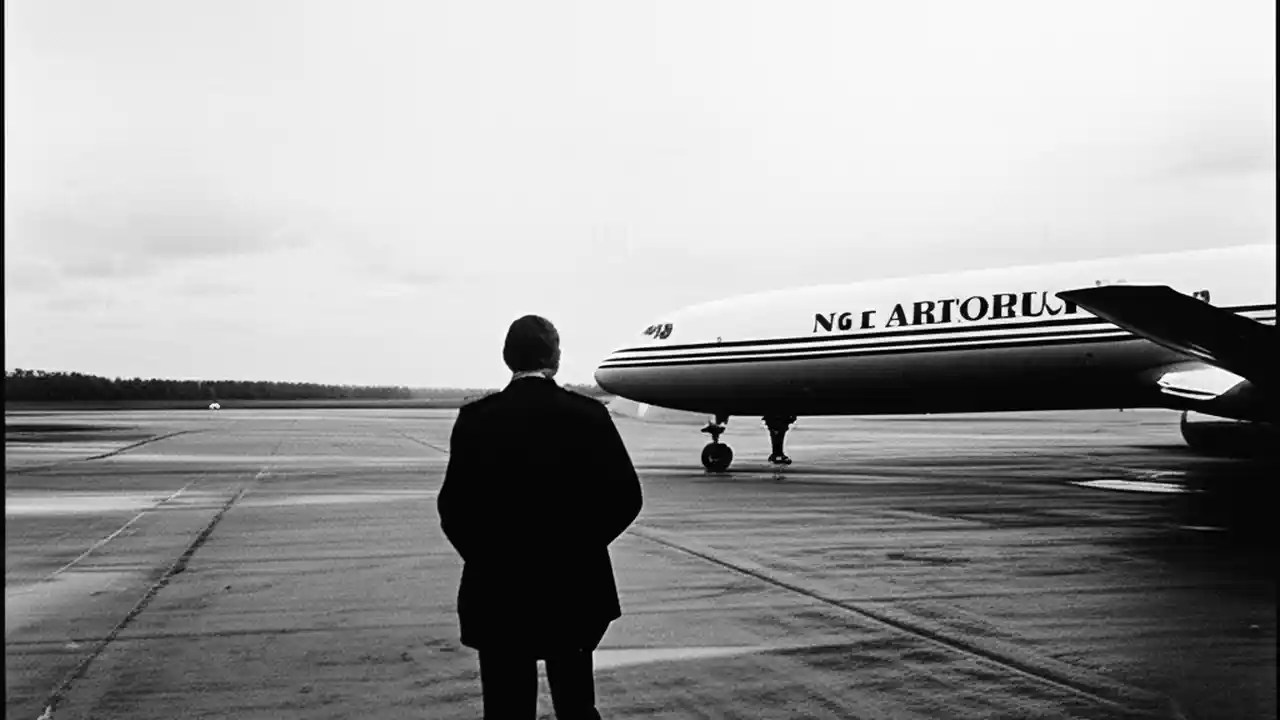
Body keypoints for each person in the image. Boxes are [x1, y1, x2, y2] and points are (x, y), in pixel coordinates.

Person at [438, 314, 643, 720]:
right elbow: (626, 498)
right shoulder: (587, 416)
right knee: (577, 705)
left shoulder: (476, 419)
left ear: (506, 357)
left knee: (505, 709)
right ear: (556, 358)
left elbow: (453, 509)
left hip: (497, 589)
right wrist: (579, 547)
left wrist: (488, 556)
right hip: (574, 587)